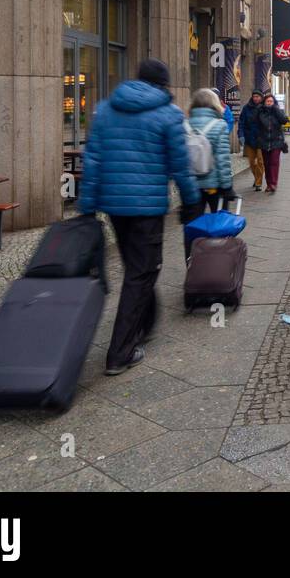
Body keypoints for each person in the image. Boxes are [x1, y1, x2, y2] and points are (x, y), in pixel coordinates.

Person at [79, 59, 202, 376]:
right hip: (147, 208)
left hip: (115, 209)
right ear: (163, 84)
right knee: (141, 273)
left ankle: (146, 323)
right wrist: (191, 203)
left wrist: (87, 207)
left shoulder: (105, 110)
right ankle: (120, 352)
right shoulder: (169, 114)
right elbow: (180, 164)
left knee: (137, 269)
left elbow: (92, 160)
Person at [185, 88, 237, 257]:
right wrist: (227, 186)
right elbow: (222, 159)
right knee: (219, 225)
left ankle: (191, 262)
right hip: (214, 186)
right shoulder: (219, 125)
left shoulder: (184, 125)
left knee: (191, 226)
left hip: (192, 186)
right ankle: (216, 261)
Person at [256, 92, 289, 193]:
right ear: (264, 102)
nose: (269, 103)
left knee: (274, 162)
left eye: (271, 101)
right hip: (264, 141)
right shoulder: (260, 111)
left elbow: (284, 120)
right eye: (267, 101)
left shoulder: (277, 111)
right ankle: (269, 184)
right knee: (266, 163)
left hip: (276, 141)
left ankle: (273, 183)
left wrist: (276, 109)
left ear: (274, 102)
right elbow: (255, 123)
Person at [238, 90, 265, 191]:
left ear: (261, 97)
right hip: (249, 139)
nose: (256, 98)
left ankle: (258, 183)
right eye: (254, 96)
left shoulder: (265, 108)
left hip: (262, 139)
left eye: (258, 96)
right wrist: (241, 135)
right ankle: (256, 177)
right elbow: (241, 122)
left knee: (260, 162)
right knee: (251, 162)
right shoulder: (246, 108)